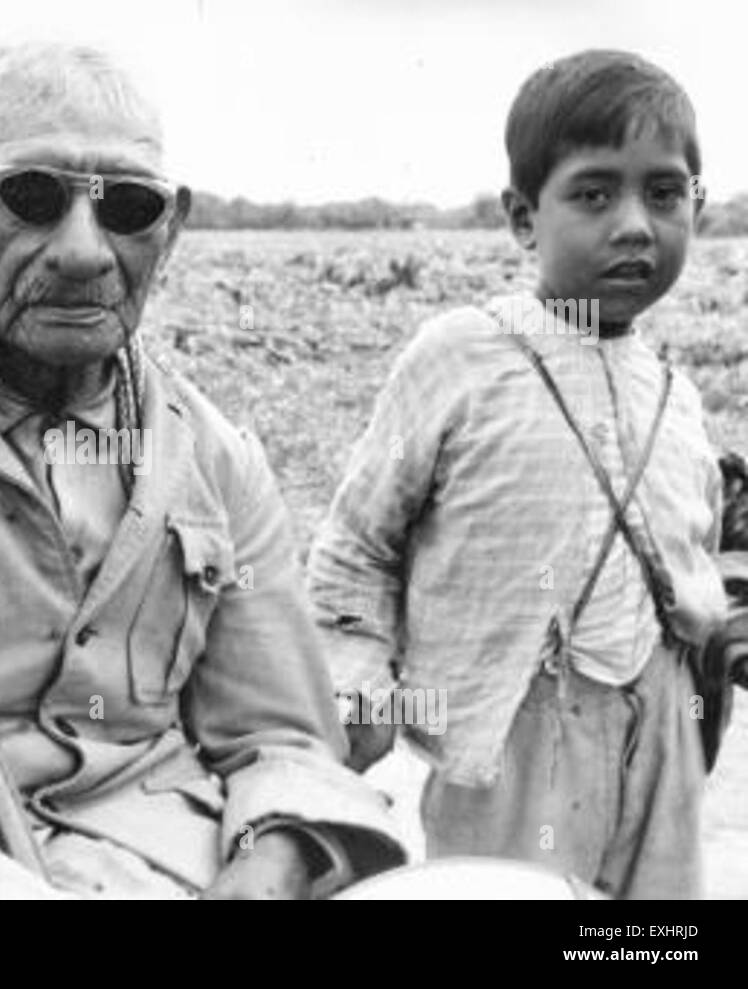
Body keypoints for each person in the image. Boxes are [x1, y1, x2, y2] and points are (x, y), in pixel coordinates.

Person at [0, 41, 405, 899]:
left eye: (128, 206)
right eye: (33, 196)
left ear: (171, 230)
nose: (85, 251)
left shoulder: (215, 460)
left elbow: (282, 739)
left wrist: (271, 862)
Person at [306, 49, 726, 899]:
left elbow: (702, 557)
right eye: (595, 194)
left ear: (697, 207)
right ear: (524, 217)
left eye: (665, 193)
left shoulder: (678, 396)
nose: (636, 224)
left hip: (662, 736)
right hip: (506, 732)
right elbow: (355, 549)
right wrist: (360, 680)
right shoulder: (459, 355)